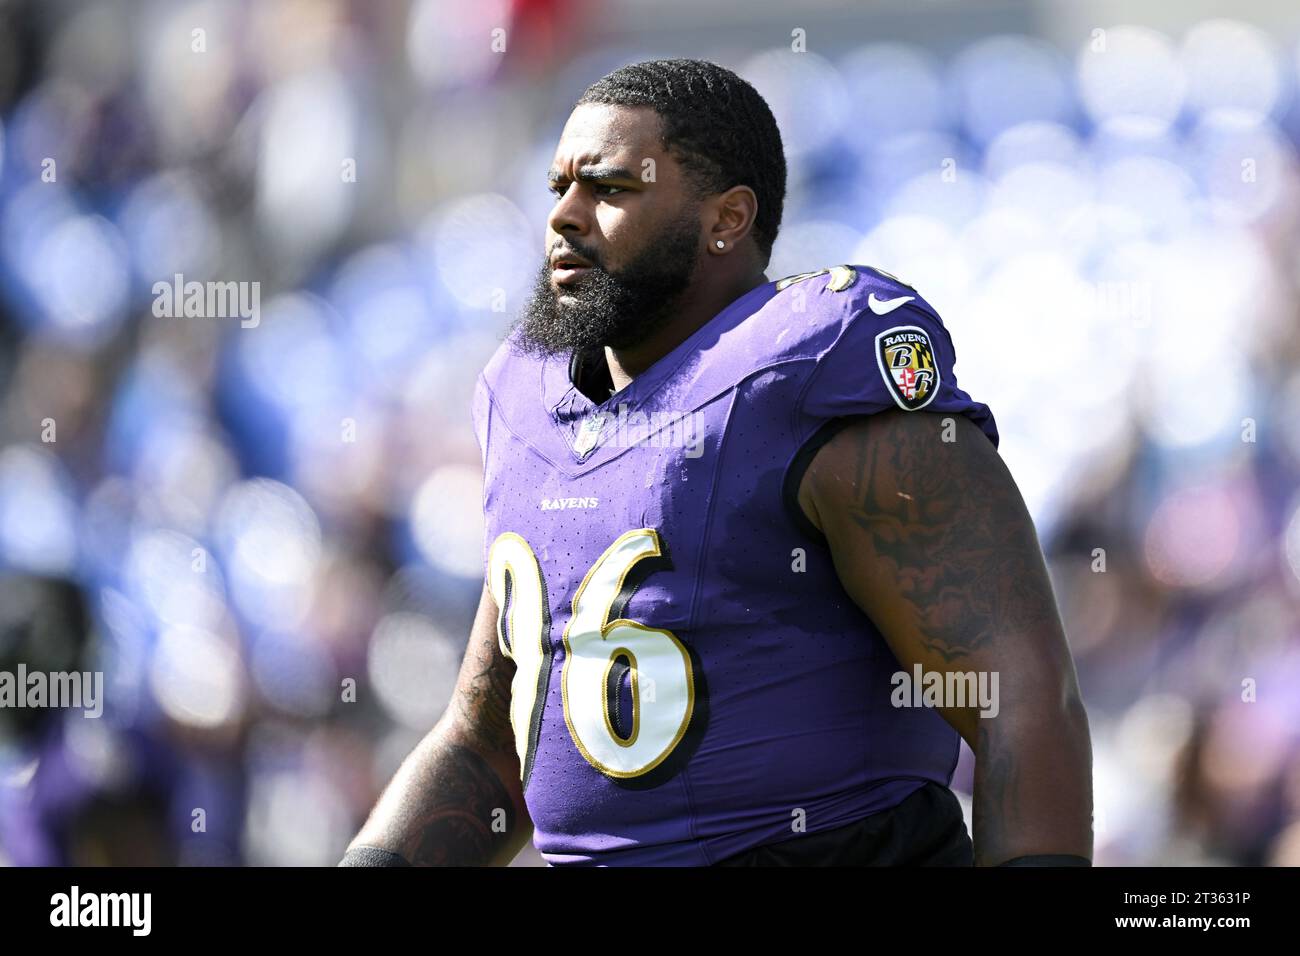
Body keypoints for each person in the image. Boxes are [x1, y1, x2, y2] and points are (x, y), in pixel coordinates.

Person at [341, 58, 1092, 867]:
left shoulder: (812, 367)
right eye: (557, 186)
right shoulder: (527, 403)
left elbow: (1018, 700)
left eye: (609, 188)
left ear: (726, 220)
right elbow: (488, 746)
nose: (564, 216)